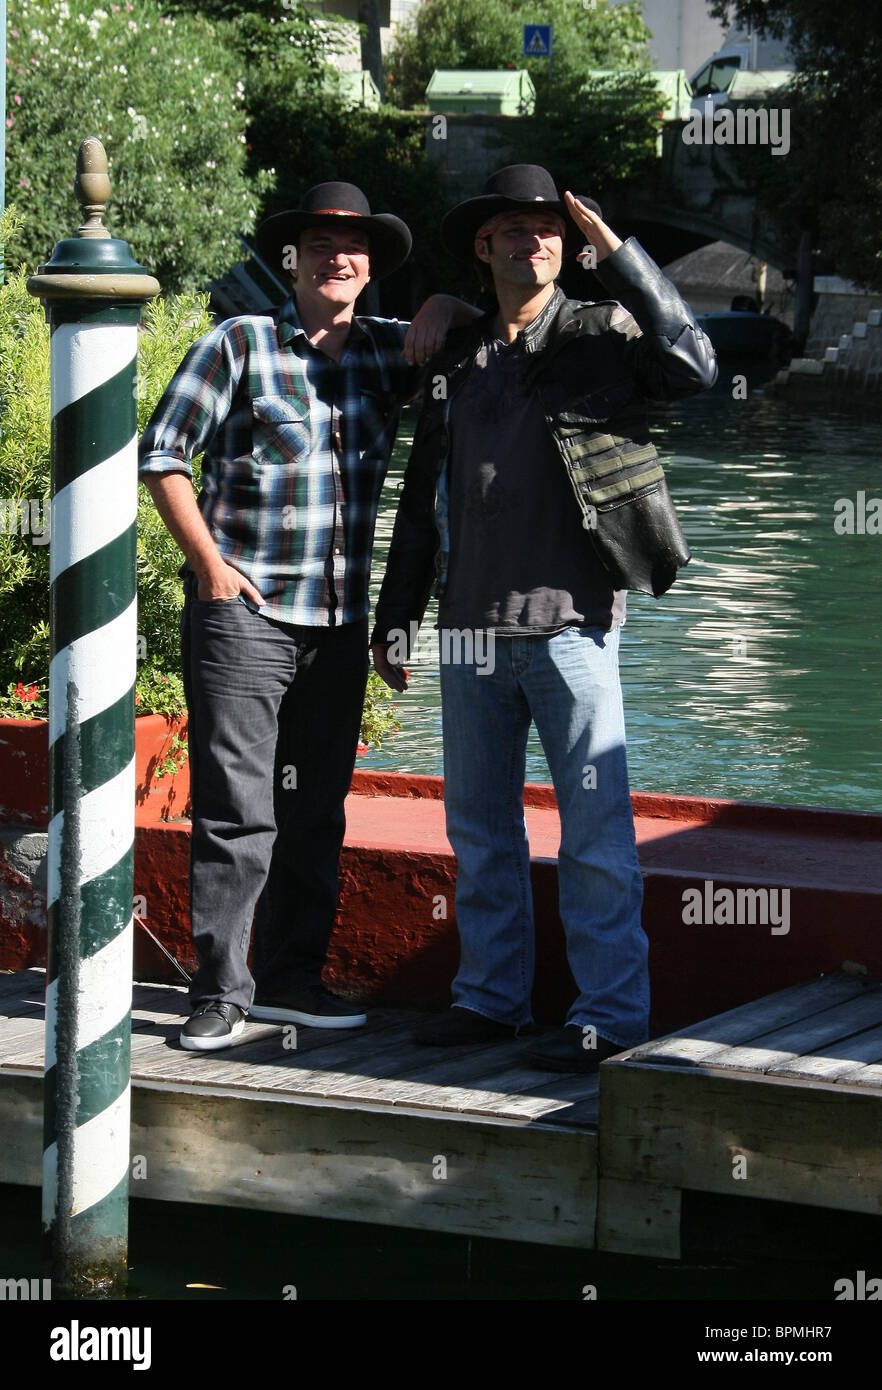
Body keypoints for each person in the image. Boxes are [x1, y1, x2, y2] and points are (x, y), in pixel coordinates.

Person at [371, 165, 717, 1073]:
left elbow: (694, 361)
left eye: (551, 229)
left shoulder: (604, 334)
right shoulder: (454, 352)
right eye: (515, 230)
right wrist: (396, 617)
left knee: (596, 836)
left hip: (573, 628)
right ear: (484, 246)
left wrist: (618, 253)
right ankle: (493, 1001)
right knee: (480, 832)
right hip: (468, 630)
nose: (537, 241)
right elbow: (421, 501)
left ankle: (610, 1017)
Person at [139, 182, 479, 1051]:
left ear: (373, 266)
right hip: (246, 619)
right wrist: (210, 569)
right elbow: (163, 455)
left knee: (315, 811)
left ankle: (293, 980)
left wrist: (446, 298)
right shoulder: (240, 344)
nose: (340, 258)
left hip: (335, 628)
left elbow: (486, 333)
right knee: (236, 813)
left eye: (356, 247)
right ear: (293, 259)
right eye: (323, 244)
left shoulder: (386, 351)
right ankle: (219, 993)